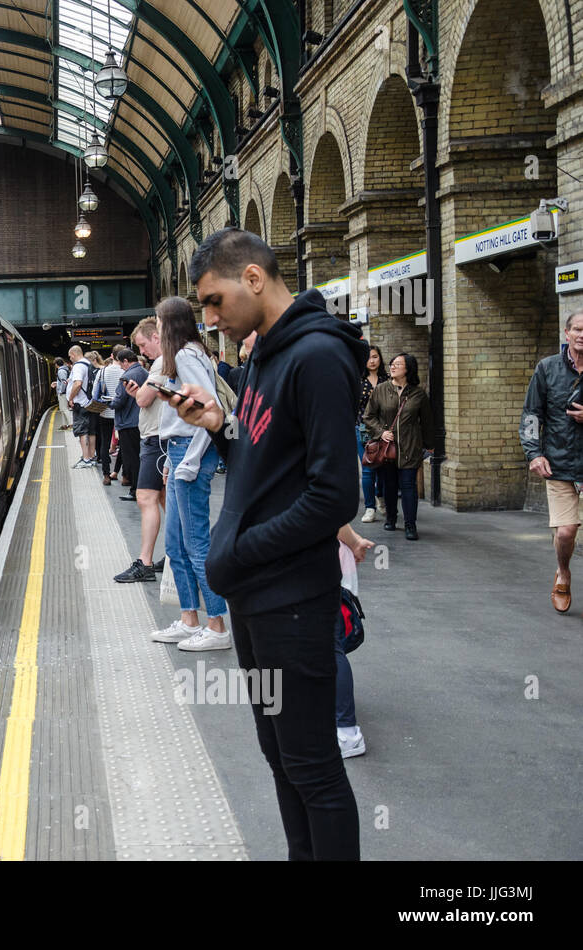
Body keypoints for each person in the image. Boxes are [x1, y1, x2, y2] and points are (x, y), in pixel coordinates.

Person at [166, 226, 365, 861]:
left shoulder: (316, 358)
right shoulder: (264, 356)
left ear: (254, 278)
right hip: (257, 600)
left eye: (215, 300)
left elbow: (333, 497)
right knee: (279, 755)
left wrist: (241, 552)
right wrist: (220, 427)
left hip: (294, 602)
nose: (211, 317)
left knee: (313, 766)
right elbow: (263, 458)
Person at [148, 297, 231, 651]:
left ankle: (217, 626)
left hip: (190, 453)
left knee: (196, 544)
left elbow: (207, 408)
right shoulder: (189, 354)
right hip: (179, 452)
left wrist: (190, 460)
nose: (157, 327)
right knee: (176, 544)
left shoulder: (184, 355)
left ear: (171, 323)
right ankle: (189, 618)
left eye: (159, 321)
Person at [520, 310, 583, 614]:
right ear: (567, 333)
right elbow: (532, 414)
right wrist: (534, 453)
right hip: (559, 462)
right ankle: (564, 571)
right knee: (567, 532)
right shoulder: (547, 368)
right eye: (578, 329)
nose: (582, 335)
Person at [114, 317, 168, 583]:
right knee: (165, 501)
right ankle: (173, 555)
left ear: (156, 337)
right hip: (159, 439)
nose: (141, 352)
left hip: (156, 440)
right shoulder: (160, 364)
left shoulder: (161, 363)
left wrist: (138, 393)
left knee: (145, 498)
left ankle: (144, 562)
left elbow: (145, 399)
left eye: (143, 345)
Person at [362, 352, 434, 540]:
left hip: (411, 447)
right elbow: (368, 416)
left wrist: (430, 445)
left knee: (409, 486)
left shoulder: (418, 394)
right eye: (392, 364)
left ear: (408, 369)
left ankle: (411, 525)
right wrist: (380, 432)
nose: (393, 366)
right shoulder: (381, 390)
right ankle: (391, 519)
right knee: (390, 485)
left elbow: (427, 421)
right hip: (387, 449)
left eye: (398, 364)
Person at [336, 524, 373, 758]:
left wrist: (355, 541)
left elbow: (333, 513)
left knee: (328, 647)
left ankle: (347, 733)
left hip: (314, 568)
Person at [357, 345, 385, 522]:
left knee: (384, 468)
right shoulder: (357, 380)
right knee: (368, 468)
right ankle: (370, 508)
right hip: (363, 429)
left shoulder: (387, 379)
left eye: (375, 357)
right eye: (368, 357)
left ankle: (381, 497)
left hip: (384, 430)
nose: (372, 360)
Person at [109, 348, 141, 500]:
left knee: (131, 460)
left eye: (121, 364)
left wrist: (109, 402)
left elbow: (120, 401)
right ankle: (140, 488)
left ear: (126, 361)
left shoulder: (127, 376)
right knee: (139, 457)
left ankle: (135, 491)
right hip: (140, 422)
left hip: (127, 422)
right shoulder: (144, 373)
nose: (121, 367)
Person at [92, 349, 124, 485]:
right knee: (124, 445)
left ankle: (106, 475)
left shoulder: (103, 371)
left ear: (112, 356)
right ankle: (125, 475)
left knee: (104, 443)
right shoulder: (125, 372)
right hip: (122, 413)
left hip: (105, 412)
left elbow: (94, 392)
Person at [66, 344, 97, 467]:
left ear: (73, 354)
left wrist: (71, 398)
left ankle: (85, 459)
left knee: (82, 432)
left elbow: (78, 384)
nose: (70, 358)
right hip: (89, 403)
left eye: (70, 356)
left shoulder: (78, 366)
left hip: (81, 404)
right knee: (91, 431)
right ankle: (91, 456)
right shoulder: (88, 364)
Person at [55, 357, 71, 430]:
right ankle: (64, 425)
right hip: (63, 392)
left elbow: (64, 382)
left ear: (56, 364)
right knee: (62, 409)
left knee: (64, 409)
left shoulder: (61, 371)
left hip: (63, 393)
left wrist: (61, 391)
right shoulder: (64, 369)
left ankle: (71, 424)